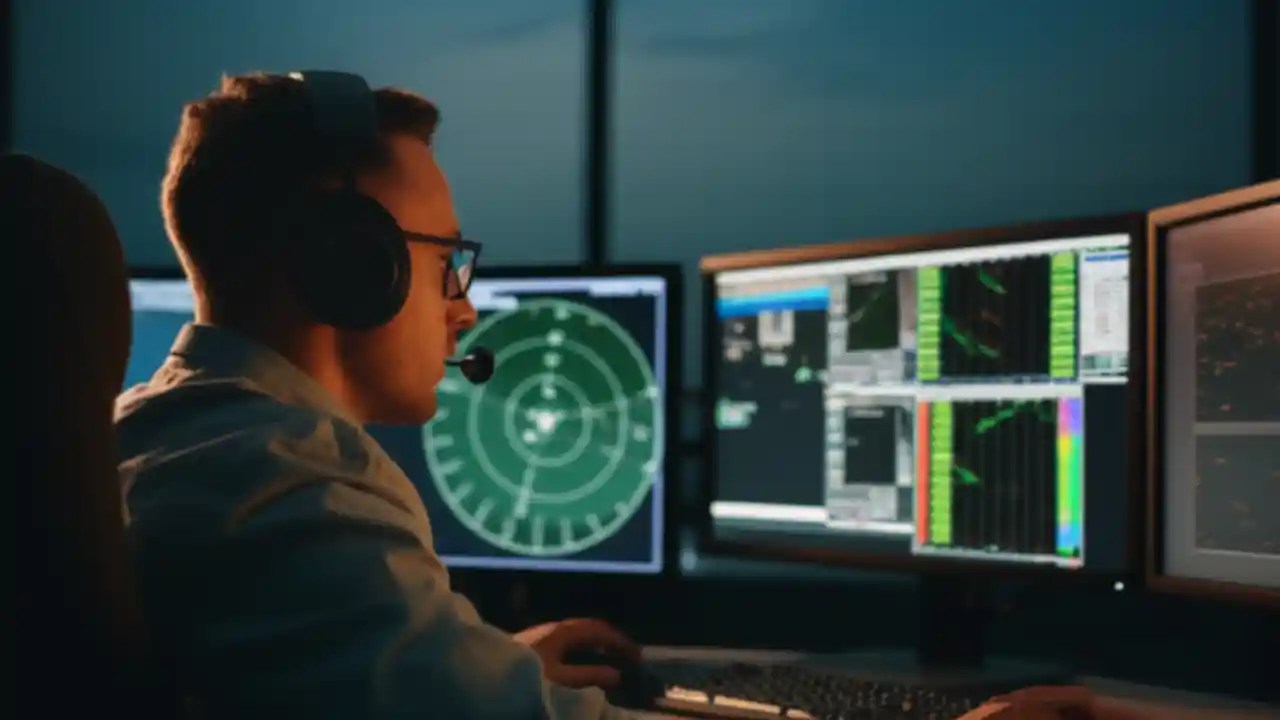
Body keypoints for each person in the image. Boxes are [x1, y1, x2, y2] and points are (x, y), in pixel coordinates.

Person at [116, 72, 643, 719]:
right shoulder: (296, 488)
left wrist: (485, 667)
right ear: (352, 264)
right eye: (443, 262)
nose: (465, 309)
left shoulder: (151, 429)